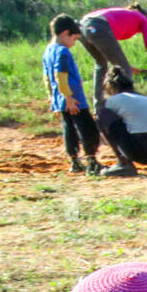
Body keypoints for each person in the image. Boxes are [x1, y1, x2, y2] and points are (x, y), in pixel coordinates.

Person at [41, 14, 102, 177]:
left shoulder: (48, 50)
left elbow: (47, 77)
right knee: (88, 129)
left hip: (60, 99)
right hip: (73, 99)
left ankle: (74, 161)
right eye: (74, 39)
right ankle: (92, 161)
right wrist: (68, 97)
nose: (73, 43)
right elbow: (60, 75)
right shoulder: (62, 52)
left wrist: (53, 97)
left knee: (69, 129)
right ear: (65, 33)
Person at [78, 3, 147, 108]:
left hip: (83, 27)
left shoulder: (123, 16)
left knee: (101, 64)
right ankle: (126, 108)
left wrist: (125, 65)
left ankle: (99, 108)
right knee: (124, 71)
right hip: (98, 26)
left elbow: (111, 52)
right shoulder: (143, 19)